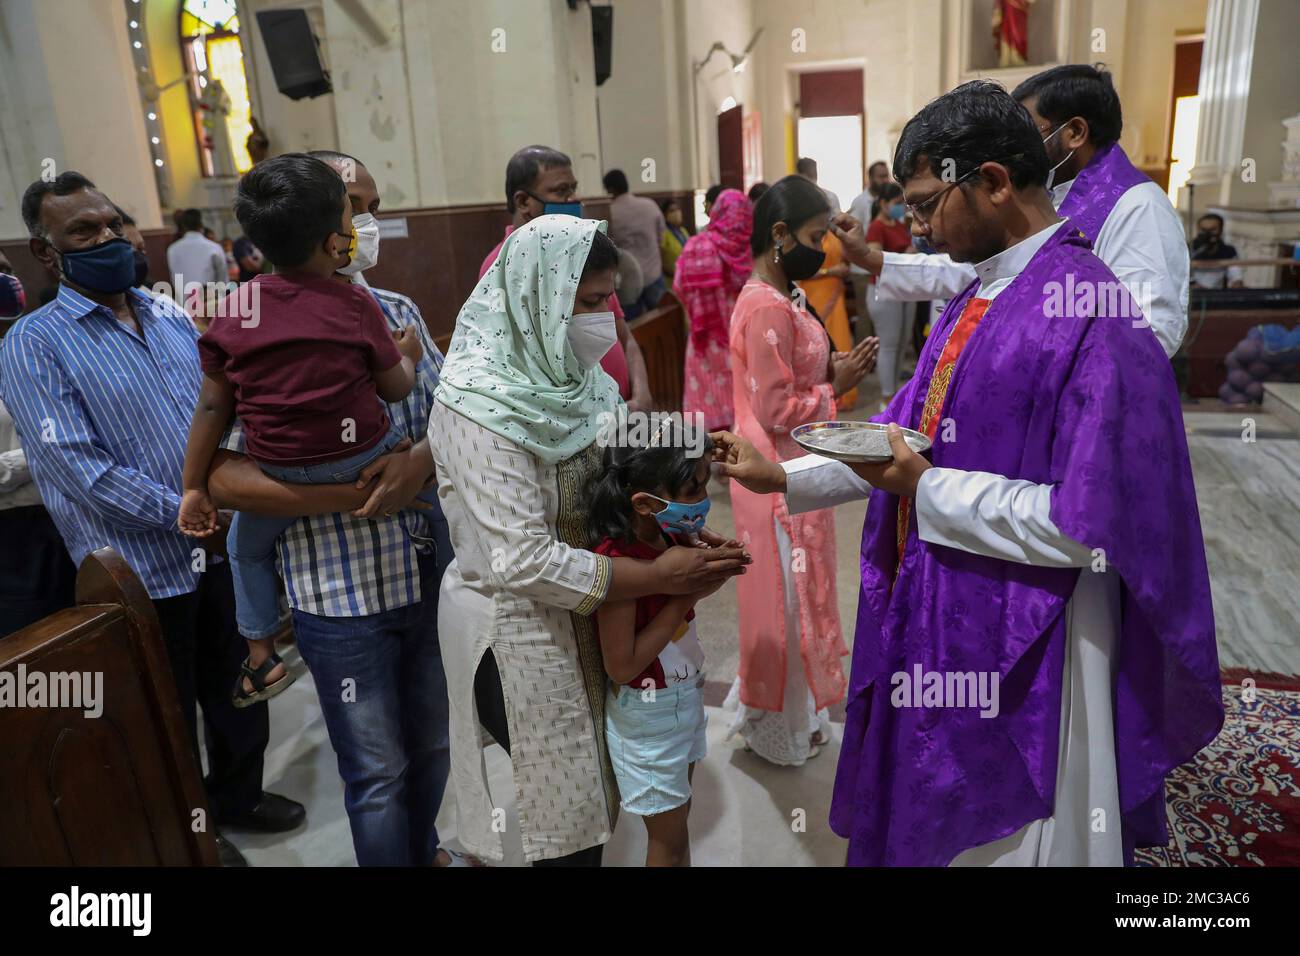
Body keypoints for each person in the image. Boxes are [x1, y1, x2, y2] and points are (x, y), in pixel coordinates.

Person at [716, 81, 1222, 866]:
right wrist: (788, 479)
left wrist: (930, 491)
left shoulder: (1094, 311)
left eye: (925, 203)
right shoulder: (981, 291)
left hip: (1038, 627)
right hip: (946, 598)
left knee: (1019, 837)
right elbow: (904, 441)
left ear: (990, 181)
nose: (914, 224)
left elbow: (1083, 524)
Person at [0, 172, 303, 867]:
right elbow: (79, 467)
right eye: (83, 231)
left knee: (238, 686)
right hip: (138, 568)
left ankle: (240, 796)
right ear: (47, 254)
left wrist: (240, 489)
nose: (107, 238)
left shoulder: (166, 313)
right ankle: (194, 827)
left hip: (219, 548)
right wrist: (189, 512)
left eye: (111, 223)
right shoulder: (33, 344)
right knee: (166, 715)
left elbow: (215, 411)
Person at [428, 216, 752, 865]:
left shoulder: (585, 382)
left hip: (601, 610)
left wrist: (679, 513)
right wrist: (666, 577)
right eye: (589, 302)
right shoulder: (474, 409)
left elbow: (624, 472)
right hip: (524, 631)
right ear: (535, 299)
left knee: (602, 797)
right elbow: (521, 559)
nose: (605, 317)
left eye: (607, 298)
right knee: (567, 820)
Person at [206, 149, 462, 867]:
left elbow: (454, 425)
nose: (367, 222)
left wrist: (417, 462)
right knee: (377, 773)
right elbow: (222, 477)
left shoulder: (396, 312)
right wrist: (345, 494)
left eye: (375, 205)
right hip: (336, 593)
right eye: (356, 206)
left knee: (436, 744)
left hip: (424, 574)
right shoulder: (249, 321)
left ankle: (425, 849)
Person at [178, 153, 422, 708]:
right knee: (409, 458)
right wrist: (404, 353)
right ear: (333, 239)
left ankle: (262, 658)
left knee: (245, 549)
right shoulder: (358, 305)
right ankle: (413, 502)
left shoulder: (234, 312)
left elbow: (213, 410)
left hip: (279, 469)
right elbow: (396, 390)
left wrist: (193, 486)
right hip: (364, 457)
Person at [836, 64, 1189, 358]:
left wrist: (1025, 351)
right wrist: (872, 259)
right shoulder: (1049, 196)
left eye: (1032, 131)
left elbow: (1153, 331)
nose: (1019, 143)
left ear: (1076, 132)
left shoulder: (1138, 204)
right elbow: (984, 274)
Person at [723, 175, 876, 767]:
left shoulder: (781, 294)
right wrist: (835, 386)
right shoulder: (765, 305)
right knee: (785, 604)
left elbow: (792, 375)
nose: (824, 247)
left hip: (787, 468)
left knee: (797, 597)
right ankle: (777, 726)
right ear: (780, 234)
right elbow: (775, 407)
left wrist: (828, 369)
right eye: (816, 236)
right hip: (772, 475)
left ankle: (796, 715)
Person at [589, 424, 722, 867]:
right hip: (649, 716)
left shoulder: (667, 535)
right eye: (692, 488)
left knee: (679, 831)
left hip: (683, 698)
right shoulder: (618, 564)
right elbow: (622, 666)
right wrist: (688, 594)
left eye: (705, 483)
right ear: (645, 504)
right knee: (666, 843)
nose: (704, 499)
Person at [481, 145, 653, 412]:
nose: (575, 200)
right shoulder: (500, 268)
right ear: (524, 202)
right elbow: (516, 370)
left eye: (574, 188)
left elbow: (625, 338)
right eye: (562, 191)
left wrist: (641, 396)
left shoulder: (581, 251)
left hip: (623, 411)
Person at [0, 255, 78, 635]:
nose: (5, 280)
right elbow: (70, 443)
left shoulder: (33, 345)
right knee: (37, 650)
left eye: (7, 269)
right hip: (15, 535)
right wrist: (45, 455)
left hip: (68, 515)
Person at [674, 188, 752, 432]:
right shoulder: (749, 251)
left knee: (706, 406)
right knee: (745, 410)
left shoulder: (696, 246)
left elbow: (679, 286)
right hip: (744, 343)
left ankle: (709, 464)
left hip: (704, 339)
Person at [864, 183, 916, 403]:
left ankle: (895, 394)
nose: (900, 208)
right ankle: (886, 396)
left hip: (903, 288)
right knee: (888, 344)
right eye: (896, 204)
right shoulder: (876, 227)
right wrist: (904, 254)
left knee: (902, 344)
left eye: (902, 204)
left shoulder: (899, 224)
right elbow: (875, 258)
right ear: (883, 204)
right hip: (883, 289)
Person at [798, 228, 859, 411]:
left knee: (837, 339)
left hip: (835, 293)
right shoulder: (804, 234)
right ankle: (817, 395)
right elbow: (801, 271)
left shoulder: (834, 235)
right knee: (814, 342)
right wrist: (831, 271)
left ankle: (842, 392)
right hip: (813, 292)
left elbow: (845, 260)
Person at [603, 168, 667, 318]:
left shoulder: (610, 213)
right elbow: (661, 240)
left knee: (635, 328)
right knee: (661, 322)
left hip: (627, 281)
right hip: (654, 275)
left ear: (610, 189)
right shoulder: (650, 205)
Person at [846, 161, 893, 336]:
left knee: (880, 316)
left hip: (879, 264)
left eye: (886, 175)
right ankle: (864, 357)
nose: (885, 180)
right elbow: (854, 233)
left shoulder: (885, 200)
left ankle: (878, 356)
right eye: (880, 176)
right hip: (862, 268)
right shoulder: (860, 202)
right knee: (865, 315)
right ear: (871, 178)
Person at [166, 208, 227, 322]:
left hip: (185, 305)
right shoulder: (214, 247)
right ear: (201, 224)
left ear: (183, 227)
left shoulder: (173, 249)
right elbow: (223, 279)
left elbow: (175, 279)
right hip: (211, 305)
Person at [1190, 213, 1244, 289]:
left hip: (1214, 295)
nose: (1207, 234)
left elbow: (1236, 276)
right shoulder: (1189, 250)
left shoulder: (1228, 251)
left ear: (1221, 230)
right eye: (1203, 230)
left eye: (1212, 230)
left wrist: (1237, 283)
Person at [659, 198, 691, 281]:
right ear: (665, 215)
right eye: (672, 211)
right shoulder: (663, 233)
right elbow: (660, 257)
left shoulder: (683, 231)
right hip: (671, 279)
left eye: (677, 209)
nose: (676, 213)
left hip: (687, 276)